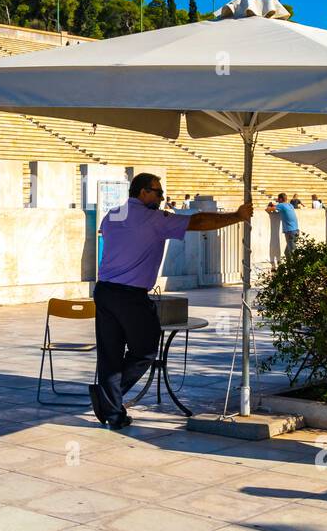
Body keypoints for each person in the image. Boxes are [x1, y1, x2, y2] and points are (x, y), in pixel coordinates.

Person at [91, 172, 252, 429]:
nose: (162, 197)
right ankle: (108, 398)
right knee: (145, 351)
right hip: (130, 296)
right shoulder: (155, 219)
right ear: (143, 192)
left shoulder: (113, 214)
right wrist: (237, 216)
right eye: (157, 191)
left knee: (110, 355)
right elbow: (197, 222)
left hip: (105, 292)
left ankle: (113, 411)